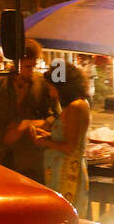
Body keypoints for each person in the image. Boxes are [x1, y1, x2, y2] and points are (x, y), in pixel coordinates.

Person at [0, 39, 60, 182]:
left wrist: (27, 124)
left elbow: (56, 118)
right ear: (15, 63)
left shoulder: (43, 85)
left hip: (32, 161)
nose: (32, 70)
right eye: (28, 66)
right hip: (2, 158)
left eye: (34, 66)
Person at [36, 65, 91, 216]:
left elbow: (70, 147)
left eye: (52, 88)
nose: (51, 93)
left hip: (67, 173)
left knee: (64, 216)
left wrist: (45, 142)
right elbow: (67, 137)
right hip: (62, 170)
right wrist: (48, 136)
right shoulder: (77, 105)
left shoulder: (76, 107)